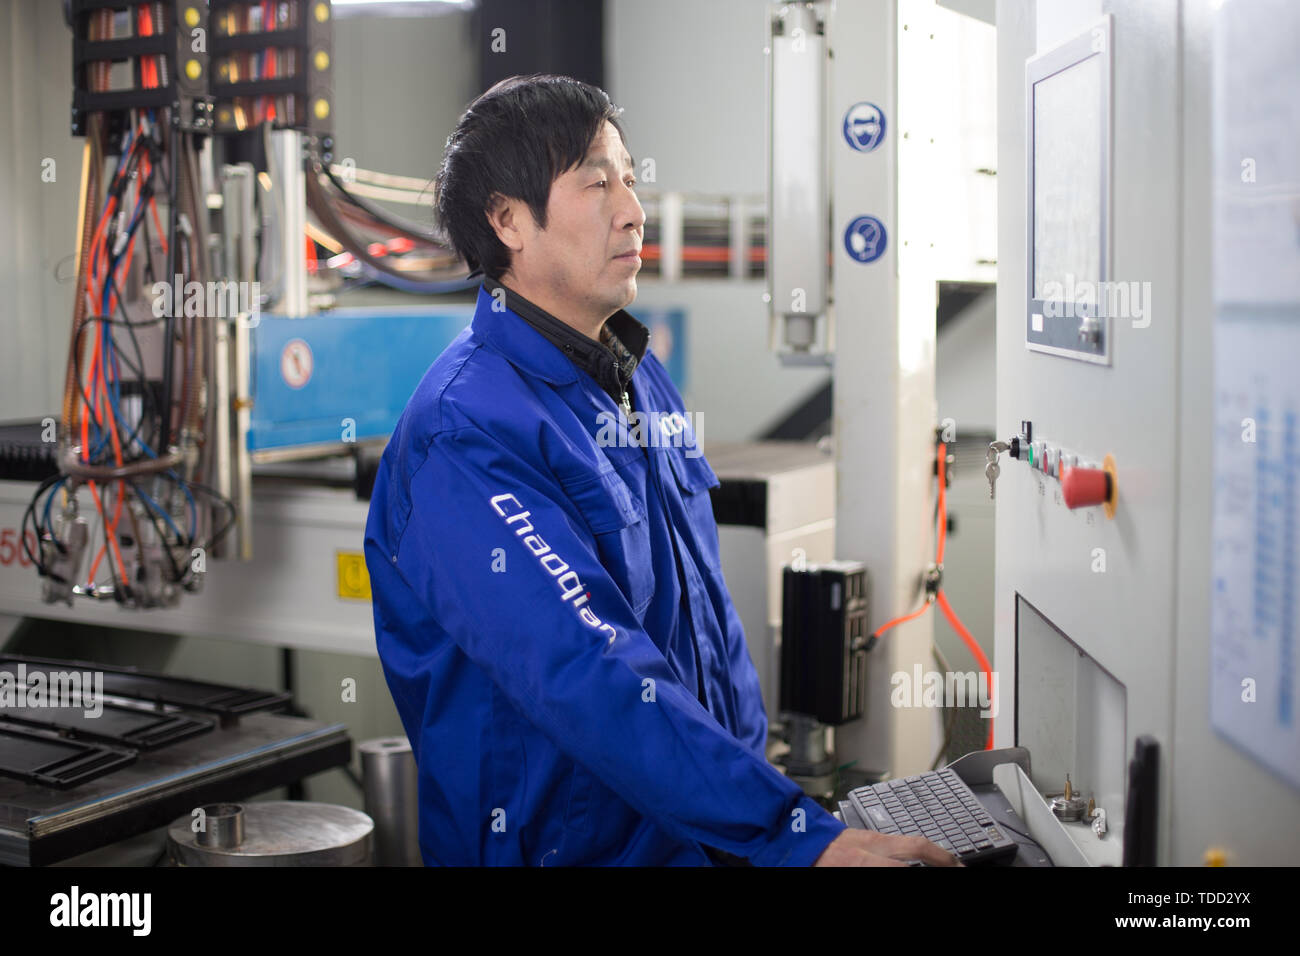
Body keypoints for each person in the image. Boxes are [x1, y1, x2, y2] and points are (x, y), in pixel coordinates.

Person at [364, 73, 957, 867]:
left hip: (698, 844)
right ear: (507, 220)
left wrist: (763, 813)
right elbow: (590, 669)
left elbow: (710, 623)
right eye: (596, 183)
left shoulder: (635, 376)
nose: (633, 209)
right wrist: (792, 838)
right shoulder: (466, 433)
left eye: (631, 180)